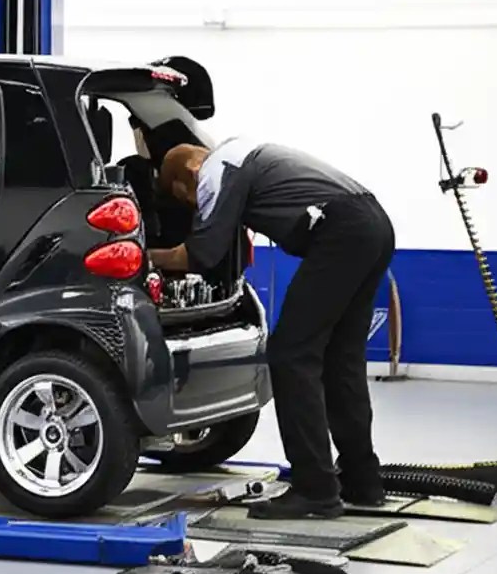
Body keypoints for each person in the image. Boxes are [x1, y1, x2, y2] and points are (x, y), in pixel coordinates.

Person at [148, 138, 396, 519]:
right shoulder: (243, 153)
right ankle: (363, 481)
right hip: (374, 223)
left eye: (184, 199)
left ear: (187, 178)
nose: (193, 207)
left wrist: (145, 256)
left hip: (341, 232)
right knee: (341, 357)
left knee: (291, 355)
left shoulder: (216, 171)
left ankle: (315, 489)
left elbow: (201, 254)